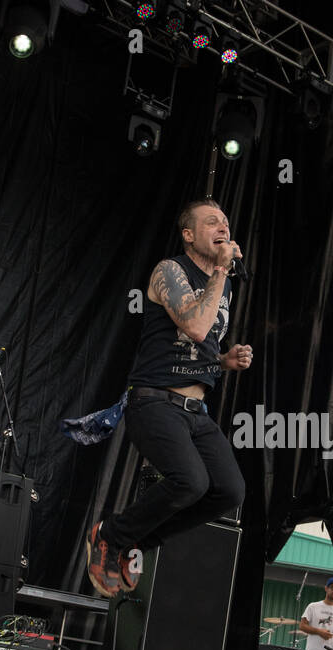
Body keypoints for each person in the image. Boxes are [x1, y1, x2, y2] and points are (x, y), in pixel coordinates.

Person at [86, 199, 253, 597]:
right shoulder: (170, 270)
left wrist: (224, 361)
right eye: (212, 221)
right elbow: (196, 326)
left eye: (226, 222)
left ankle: (133, 542)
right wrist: (220, 271)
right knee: (191, 481)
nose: (223, 227)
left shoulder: (223, 284)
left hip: (196, 410)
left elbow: (199, 347)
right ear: (189, 235)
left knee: (230, 491)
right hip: (154, 401)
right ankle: (110, 533)